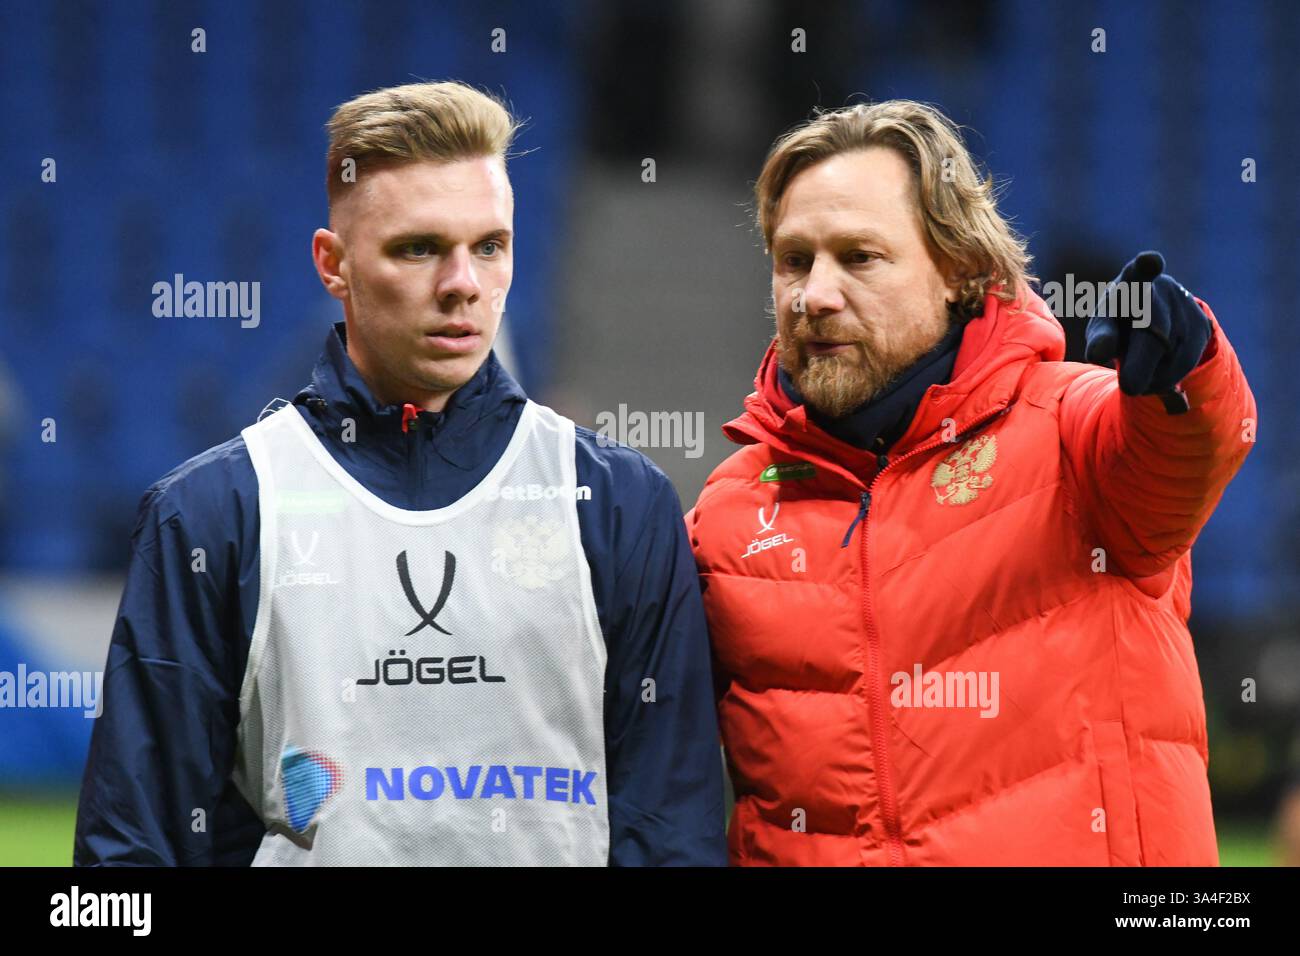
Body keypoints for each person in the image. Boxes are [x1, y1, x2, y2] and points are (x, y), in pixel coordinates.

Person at [75, 81, 725, 866]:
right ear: (333, 264)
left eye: (490, 246)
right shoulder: (213, 515)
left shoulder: (618, 504)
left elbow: (672, 835)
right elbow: (130, 858)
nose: (463, 283)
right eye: (419, 248)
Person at [686, 100, 1255, 866]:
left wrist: (1181, 369)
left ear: (959, 271)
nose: (812, 295)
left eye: (859, 257)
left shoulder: (1070, 428)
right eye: (795, 260)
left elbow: (1183, 453)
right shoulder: (729, 512)